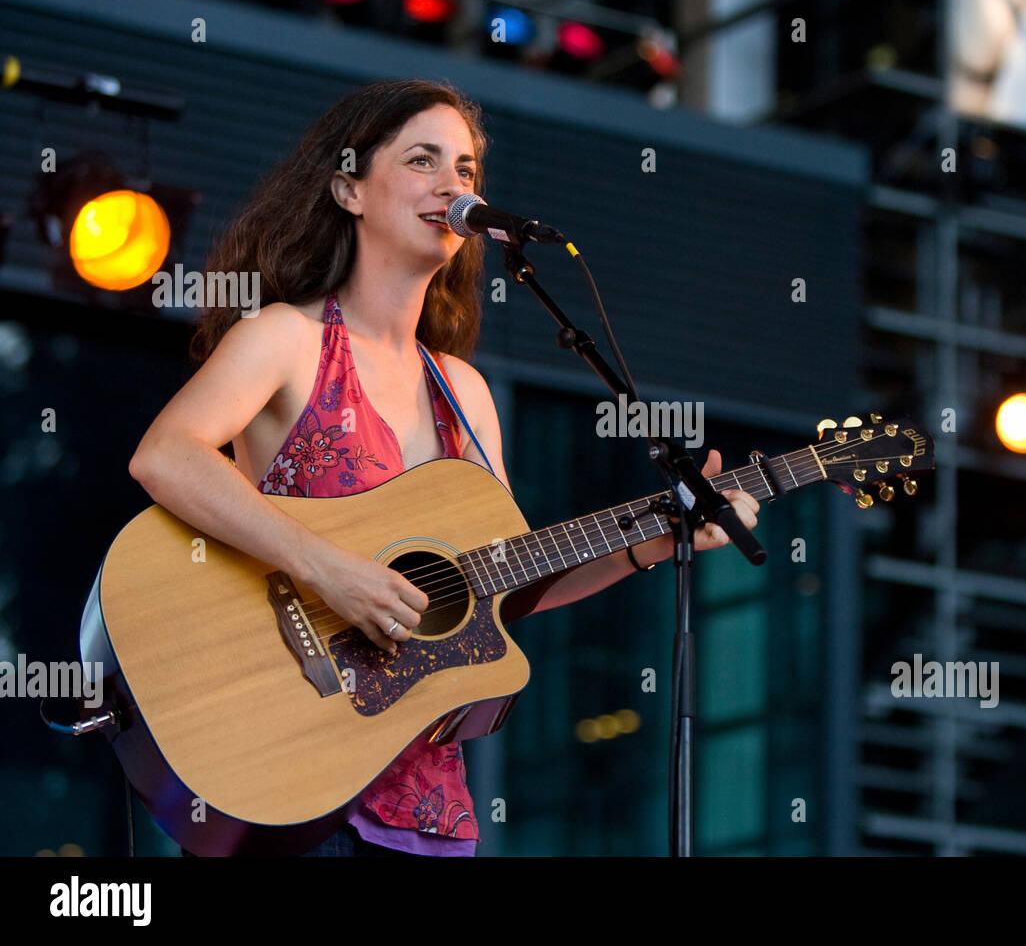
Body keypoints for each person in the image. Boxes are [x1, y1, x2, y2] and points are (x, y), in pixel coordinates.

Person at [127, 78, 761, 857]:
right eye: (423, 160)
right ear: (348, 189)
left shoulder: (462, 394)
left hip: (427, 810)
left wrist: (651, 544)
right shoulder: (283, 339)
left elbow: (506, 587)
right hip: (295, 768)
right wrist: (329, 570)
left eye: (465, 170)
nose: (452, 187)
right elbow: (165, 456)